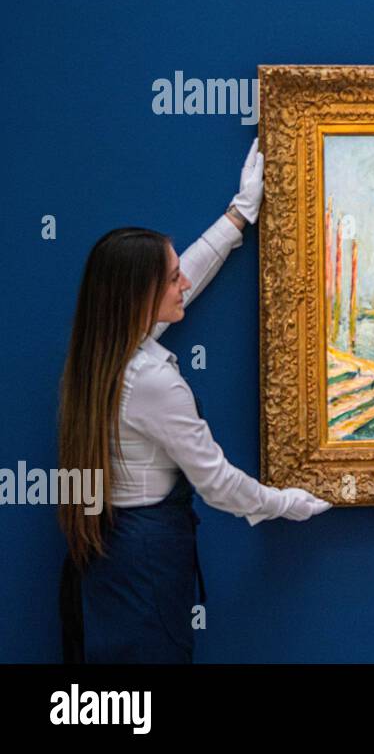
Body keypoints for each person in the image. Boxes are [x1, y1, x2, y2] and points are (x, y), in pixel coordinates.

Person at [57, 138, 331, 663]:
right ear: (140, 296)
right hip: (144, 565)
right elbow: (218, 483)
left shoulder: (101, 351)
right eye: (171, 278)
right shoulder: (153, 381)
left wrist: (240, 213)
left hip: (105, 561)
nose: (183, 282)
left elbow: (191, 274)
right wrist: (287, 503)